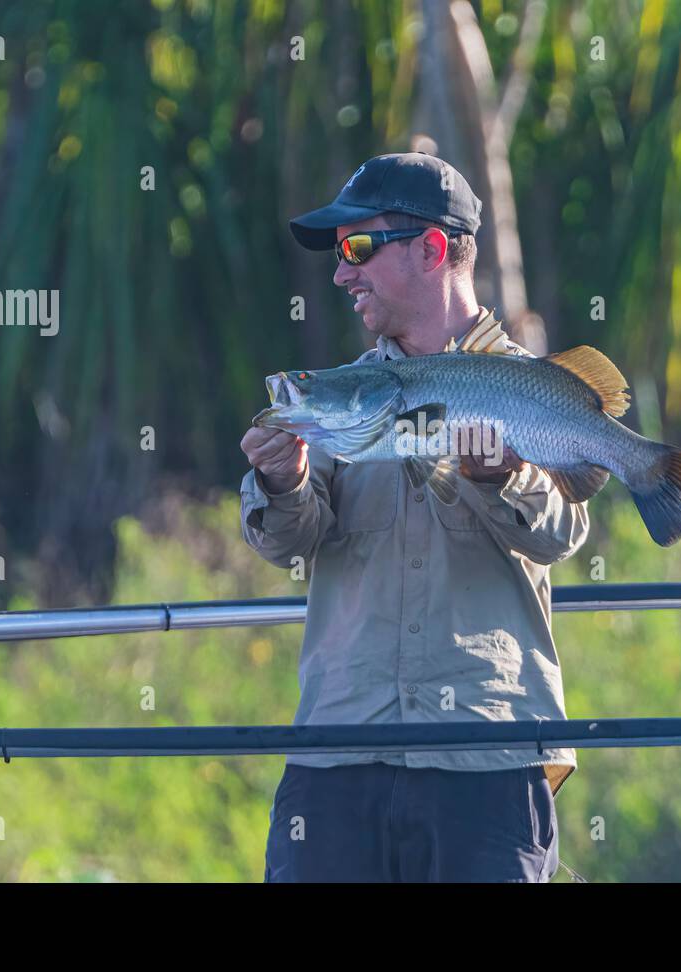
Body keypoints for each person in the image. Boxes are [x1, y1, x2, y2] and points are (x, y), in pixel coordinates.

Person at [239, 152, 589, 882]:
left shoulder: (535, 387)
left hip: (487, 754)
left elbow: (563, 532)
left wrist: (506, 477)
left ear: (432, 250)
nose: (342, 273)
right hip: (338, 752)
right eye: (340, 255)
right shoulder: (344, 399)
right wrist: (283, 480)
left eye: (358, 248)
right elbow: (289, 542)